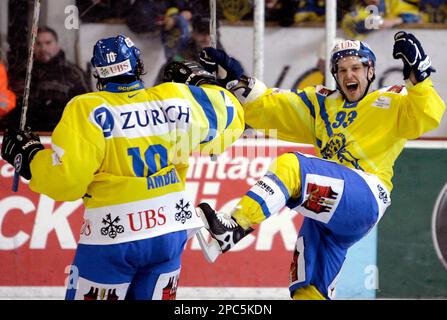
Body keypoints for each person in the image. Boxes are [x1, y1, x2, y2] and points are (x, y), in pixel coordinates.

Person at [191, 32, 445, 299]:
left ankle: (234, 225)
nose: (349, 75)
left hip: (366, 196)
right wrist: (236, 82)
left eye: (356, 68)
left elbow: (427, 115)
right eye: (342, 69)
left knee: (292, 167)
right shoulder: (322, 104)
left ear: (370, 71)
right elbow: (272, 108)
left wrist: (420, 74)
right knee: (307, 288)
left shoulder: (391, 101)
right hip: (327, 208)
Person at [1, 35, 244, 300]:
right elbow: (231, 117)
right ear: (137, 65)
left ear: (97, 73)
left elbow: (67, 181)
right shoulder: (174, 97)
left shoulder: (88, 109)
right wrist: (201, 82)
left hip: (113, 235)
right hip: (171, 231)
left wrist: (33, 158)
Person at [6, 26, 91, 132]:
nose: (43, 48)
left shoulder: (73, 74)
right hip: (25, 136)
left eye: (48, 43)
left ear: (57, 45)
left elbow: (86, 107)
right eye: (38, 44)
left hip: (60, 135)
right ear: (32, 46)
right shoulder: (21, 72)